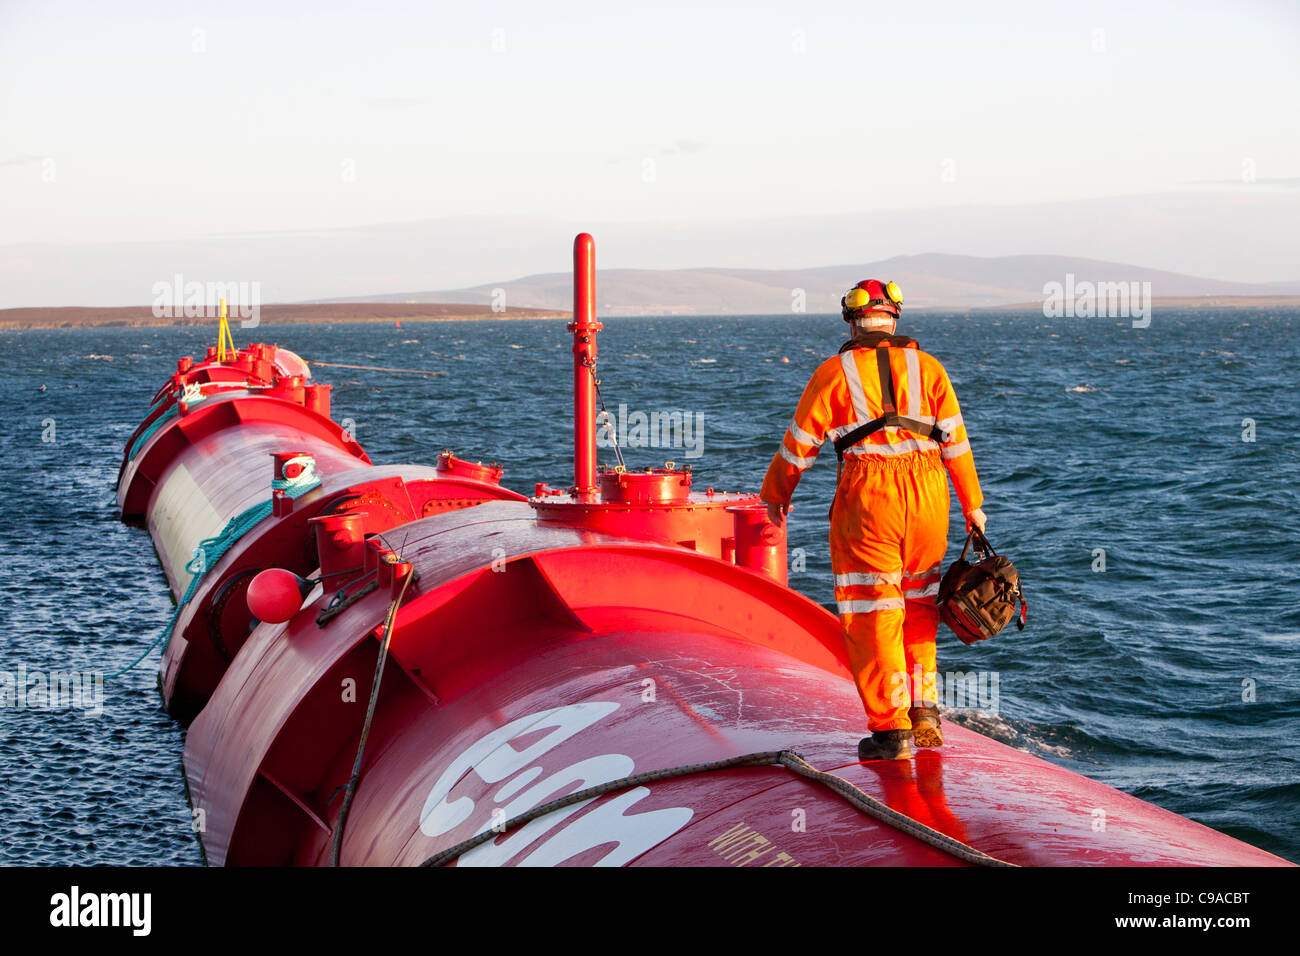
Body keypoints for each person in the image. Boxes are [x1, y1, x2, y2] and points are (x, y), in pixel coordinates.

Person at [760, 280, 987, 760]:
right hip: (930, 497)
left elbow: (798, 446)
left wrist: (776, 495)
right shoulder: (929, 369)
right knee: (920, 602)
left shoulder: (833, 373)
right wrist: (973, 506)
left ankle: (891, 731)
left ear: (850, 321)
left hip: (869, 496)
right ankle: (924, 707)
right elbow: (957, 445)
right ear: (895, 318)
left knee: (872, 610)